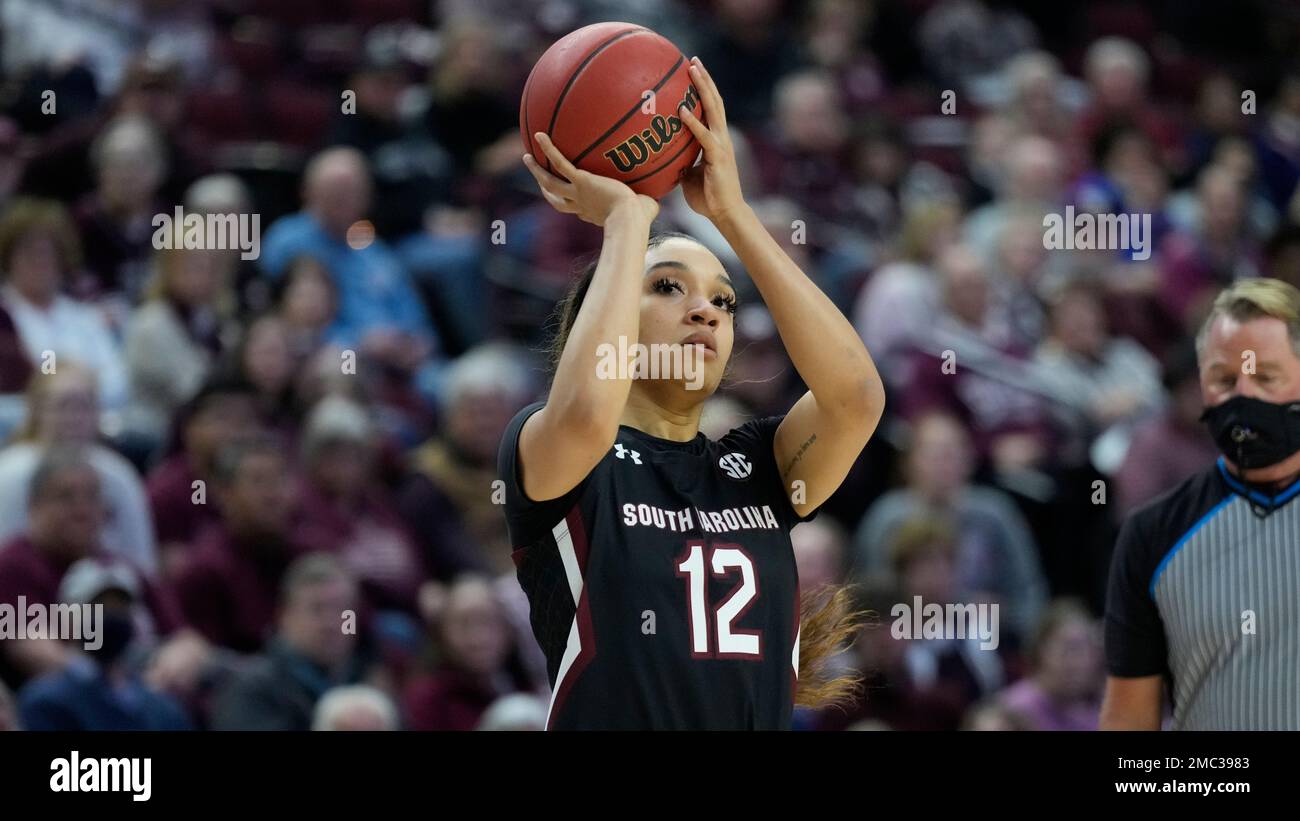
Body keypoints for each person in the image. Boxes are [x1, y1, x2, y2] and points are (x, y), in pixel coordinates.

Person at [502, 57, 886, 730]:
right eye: (668, 286)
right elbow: (591, 410)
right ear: (610, 309)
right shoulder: (557, 449)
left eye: (724, 300)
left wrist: (733, 214)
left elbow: (856, 395)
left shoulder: (756, 469)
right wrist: (626, 220)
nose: (707, 311)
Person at [1102, 278, 1300, 729]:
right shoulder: (1152, 533)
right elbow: (1129, 720)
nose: (1243, 397)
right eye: (1224, 378)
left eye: (1265, 376)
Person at [210, 553, 373, 731]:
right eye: (317, 609)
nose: (332, 623)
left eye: (343, 610)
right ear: (285, 616)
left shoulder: (370, 688)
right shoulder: (250, 689)